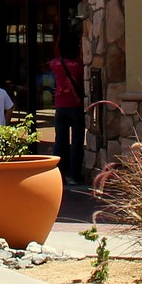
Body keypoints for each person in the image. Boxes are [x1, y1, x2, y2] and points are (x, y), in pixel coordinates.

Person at [46, 39, 86, 185]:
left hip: (60, 106)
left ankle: (57, 172)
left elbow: (54, 55)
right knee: (77, 142)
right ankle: (74, 174)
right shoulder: (79, 66)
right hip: (75, 106)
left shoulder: (55, 64)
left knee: (60, 141)